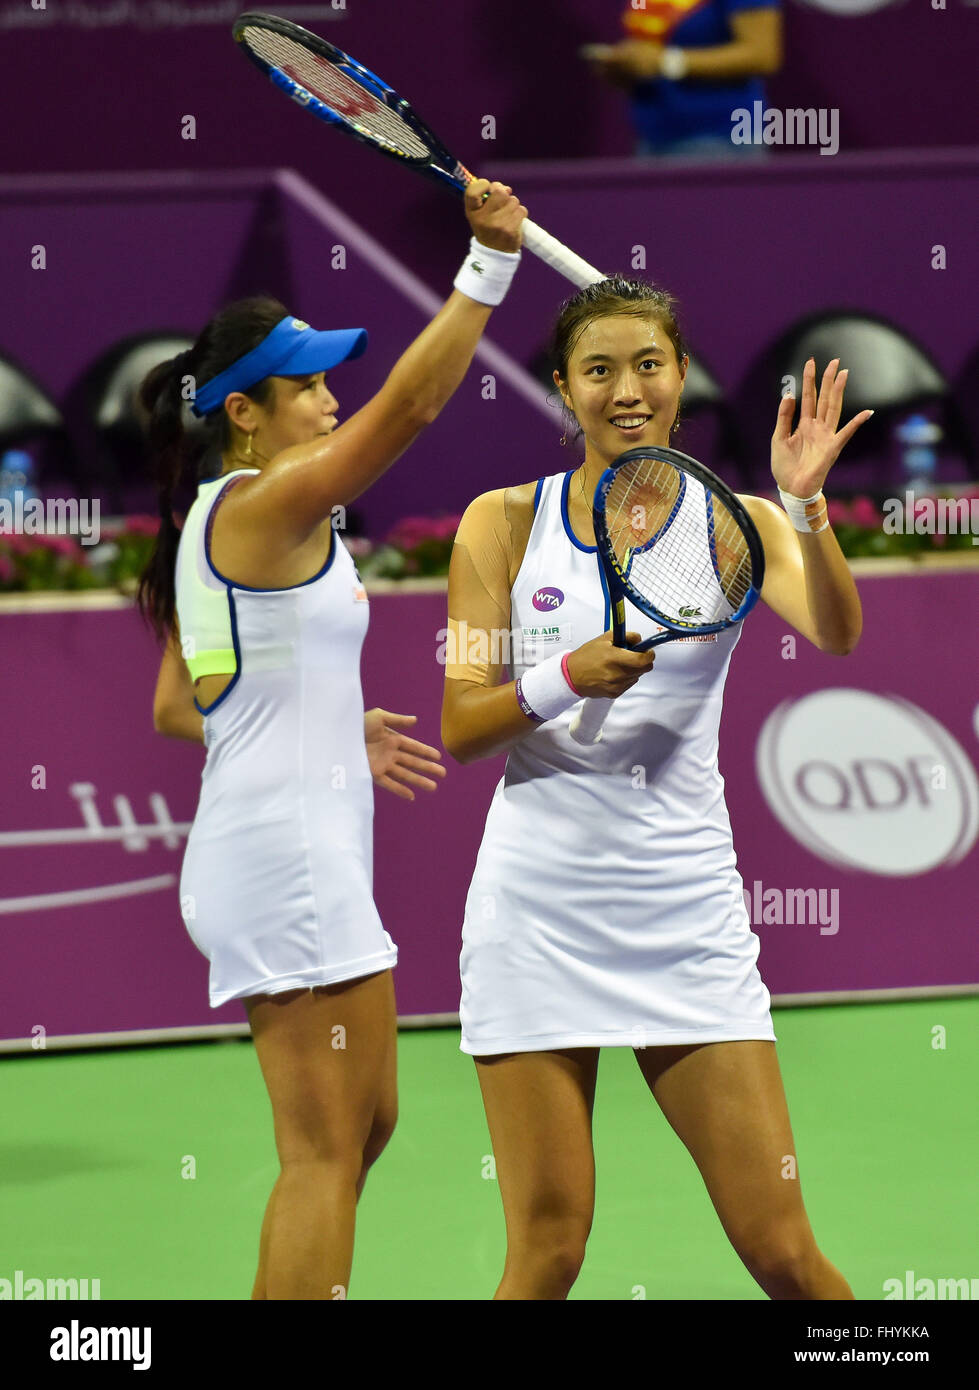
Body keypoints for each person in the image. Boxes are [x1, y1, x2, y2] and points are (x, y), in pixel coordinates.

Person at [441, 275, 869, 1300]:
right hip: (535, 912)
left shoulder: (744, 524)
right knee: (547, 1250)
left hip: (684, 913)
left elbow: (837, 631)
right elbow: (462, 722)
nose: (624, 389)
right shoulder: (497, 524)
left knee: (781, 1249)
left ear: (680, 377)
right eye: (598, 370)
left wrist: (804, 504)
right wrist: (560, 678)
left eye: (646, 365)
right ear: (560, 387)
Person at [139, 178, 527, 1299]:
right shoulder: (268, 504)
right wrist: (486, 269)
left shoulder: (218, 519)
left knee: (363, 1130)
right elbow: (405, 413)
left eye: (325, 382)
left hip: (287, 849)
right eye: (300, 386)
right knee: (323, 1152)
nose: (324, 400)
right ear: (244, 413)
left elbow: (181, 704)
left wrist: (317, 718)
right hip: (285, 864)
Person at [584, 0, 783, 158]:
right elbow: (650, 54)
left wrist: (668, 62)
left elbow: (762, 54)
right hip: (652, 136)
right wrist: (626, 67)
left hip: (719, 136)